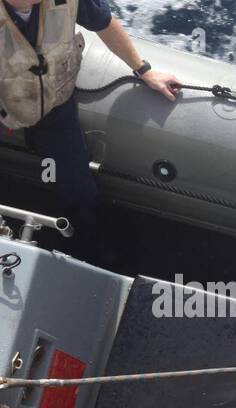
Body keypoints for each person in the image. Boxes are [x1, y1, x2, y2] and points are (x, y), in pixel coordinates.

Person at [1, 0, 182, 263]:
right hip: (5, 103)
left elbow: (105, 24)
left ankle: (90, 249)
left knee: (78, 188)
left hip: (55, 105)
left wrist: (144, 71)